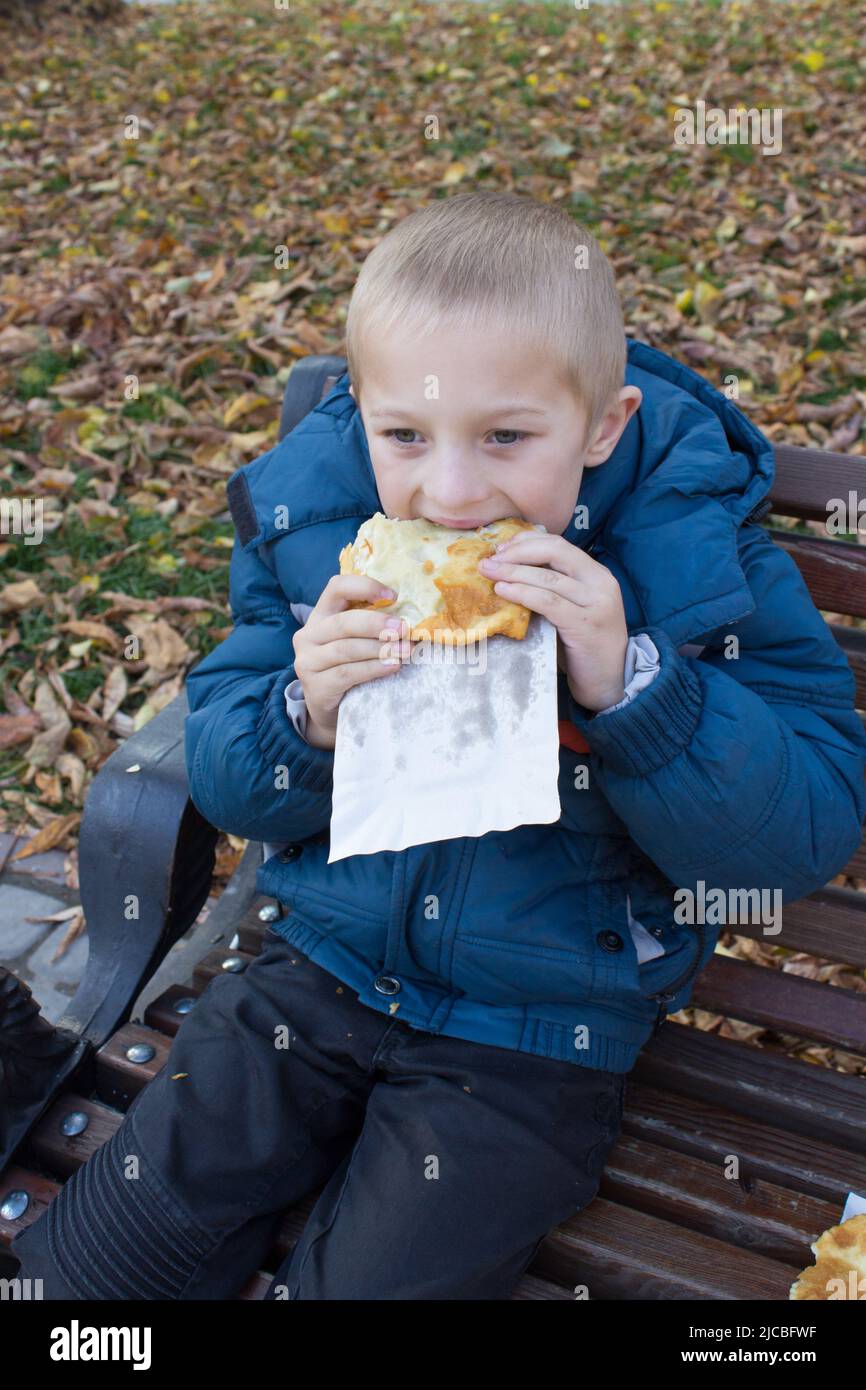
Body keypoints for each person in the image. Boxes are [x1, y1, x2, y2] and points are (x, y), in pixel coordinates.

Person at [13, 191, 866, 1300]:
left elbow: (795, 837)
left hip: (534, 1038)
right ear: (361, 413)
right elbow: (231, 773)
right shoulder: (322, 531)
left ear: (600, 427)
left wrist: (636, 688)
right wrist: (298, 716)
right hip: (305, 979)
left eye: (506, 438)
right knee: (100, 1269)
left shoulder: (698, 560)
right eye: (404, 437)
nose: (452, 493)